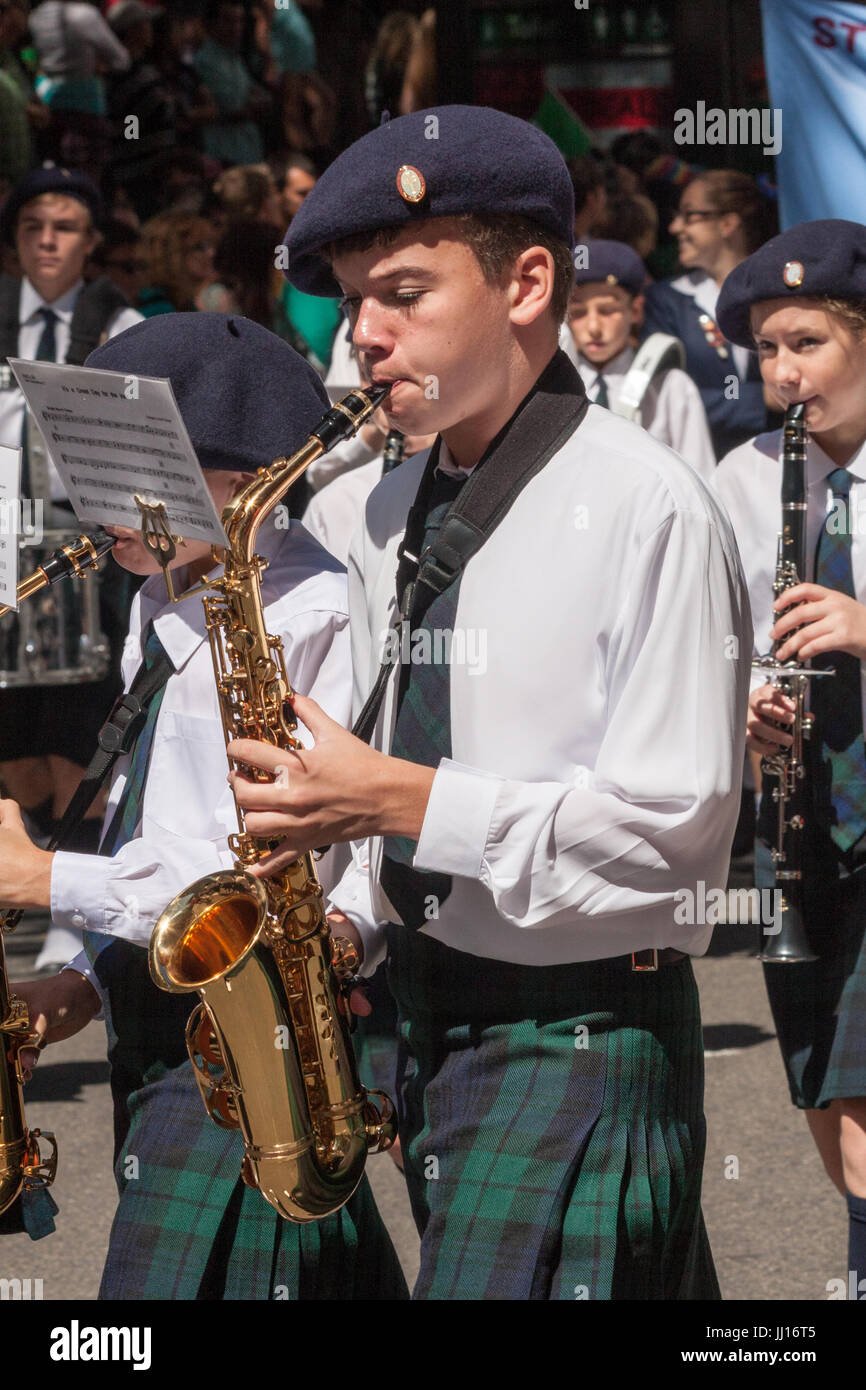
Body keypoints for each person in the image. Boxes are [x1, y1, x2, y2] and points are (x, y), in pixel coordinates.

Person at [227, 104, 752, 1301]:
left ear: (526, 282)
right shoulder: (365, 509)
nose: (361, 333)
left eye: (402, 292)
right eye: (353, 300)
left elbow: (674, 841)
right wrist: (342, 917)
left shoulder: (645, 504)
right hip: (420, 1015)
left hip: (581, 1025)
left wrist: (399, 798)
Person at [2, 311, 408, 1300]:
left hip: (252, 1040)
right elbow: (146, 828)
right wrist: (76, 983)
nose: (93, 503)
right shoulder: (160, 598)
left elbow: (279, 883)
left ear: (237, 483)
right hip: (169, 1024)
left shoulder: (310, 615)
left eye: (124, 473)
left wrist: (46, 878)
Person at [712, 219, 866, 1301]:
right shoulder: (741, 476)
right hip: (797, 821)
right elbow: (699, 643)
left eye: (804, 342)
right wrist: (743, 708)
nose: (780, 373)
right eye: (764, 350)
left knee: (859, 1103)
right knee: (820, 1086)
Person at [0, 166, 142, 967]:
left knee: (76, 721)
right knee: (12, 729)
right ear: (16, 242)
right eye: (32, 228)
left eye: (64, 229)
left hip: (78, 541)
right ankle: (29, 865)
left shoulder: (113, 316)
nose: (47, 242)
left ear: (89, 243)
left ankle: (65, 902)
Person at [642, 170, 778, 460]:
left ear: (727, 223)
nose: (675, 227)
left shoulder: (776, 293)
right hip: (699, 469)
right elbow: (662, 400)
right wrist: (759, 398)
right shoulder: (667, 300)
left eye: (690, 215)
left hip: (777, 464)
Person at [569, 239, 715, 480]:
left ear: (635, 311)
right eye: (578, 313)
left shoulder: (670, 388)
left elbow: (700, 478)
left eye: (607, 311)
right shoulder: (558, 388)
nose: (593, 327)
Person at [29, 0, 129, 179]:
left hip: (47, 107)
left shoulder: (37, 17)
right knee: (87, 181)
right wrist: (97, 65)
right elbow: (121, 60)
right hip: (86, 110)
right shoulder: (84, 15)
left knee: (54, 178)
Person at [105, 1, 174, 222]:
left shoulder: (143, 68)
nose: (151, 29)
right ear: (133, 30)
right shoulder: (123, 72)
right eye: (146, 24)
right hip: (138, 176)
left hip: (153, 173)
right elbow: (128, 124)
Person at [194, 0, 269, 168]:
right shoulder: (205, 61)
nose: (236, 27)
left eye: (240, 20)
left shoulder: (234, 57)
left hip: (248, 152)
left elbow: (257, 95)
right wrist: (249, 108)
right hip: (225, 157)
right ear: (211, 24)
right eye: (228, 21)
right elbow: (231, 107)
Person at [138, 209, 216, 315]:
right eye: (200, 247)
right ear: (171, 254)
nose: (212, 253)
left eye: (210, 245)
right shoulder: (156, 309)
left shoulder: (184, 304)